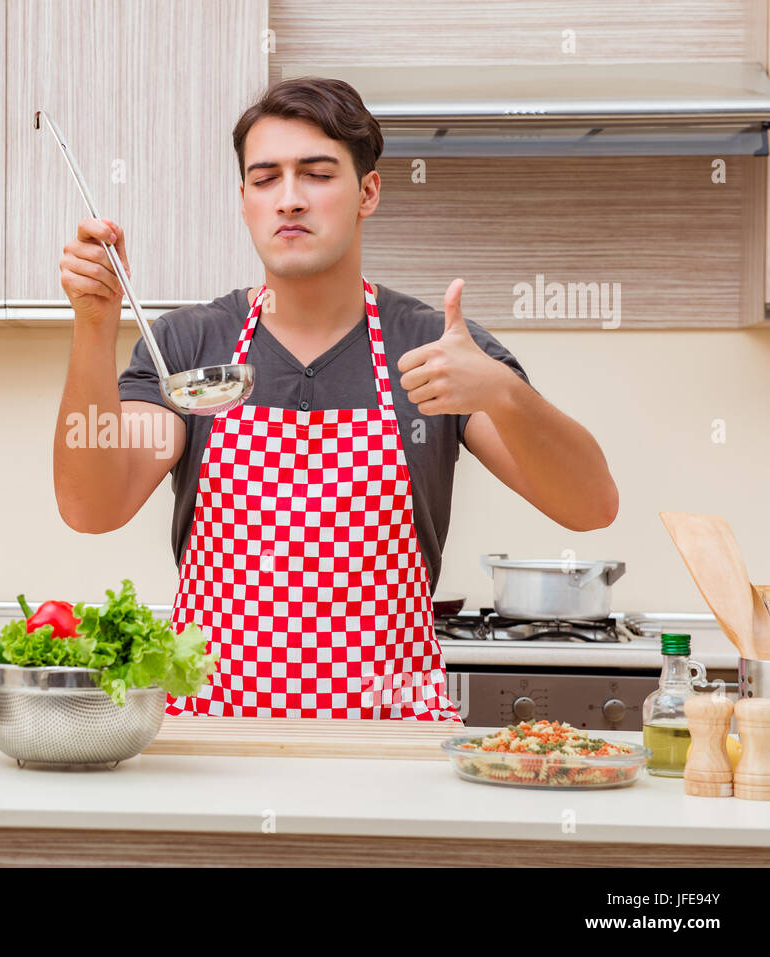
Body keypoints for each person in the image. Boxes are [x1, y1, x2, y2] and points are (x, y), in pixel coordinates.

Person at [52, 77, 618, 720]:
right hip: (211, 736)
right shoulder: (186, 346)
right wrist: (94, 326)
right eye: (265, 179)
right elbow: (92, 506)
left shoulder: (435, 346)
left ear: (367, 192)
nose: (289, 200)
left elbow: (590, 506)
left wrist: (505, 394)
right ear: (244, 200)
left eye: (316, 174)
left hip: (390, 738)